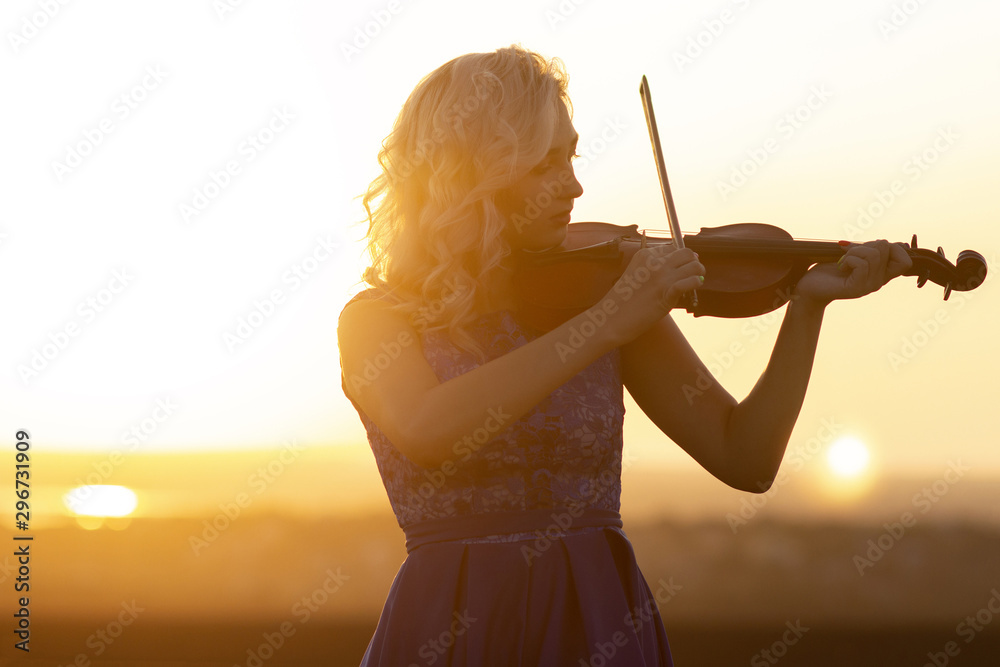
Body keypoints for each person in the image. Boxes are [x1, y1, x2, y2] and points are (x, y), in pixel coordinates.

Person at [337, 45, 911, 666]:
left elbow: (747, 458)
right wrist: (607, 321)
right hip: (449, 623)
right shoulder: (378, 320)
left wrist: (806, 308)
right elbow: (429, 429)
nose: (576, 185)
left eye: (573, 156)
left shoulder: (609, 293)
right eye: (544, 164)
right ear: (476, 173)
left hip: (596, 617)